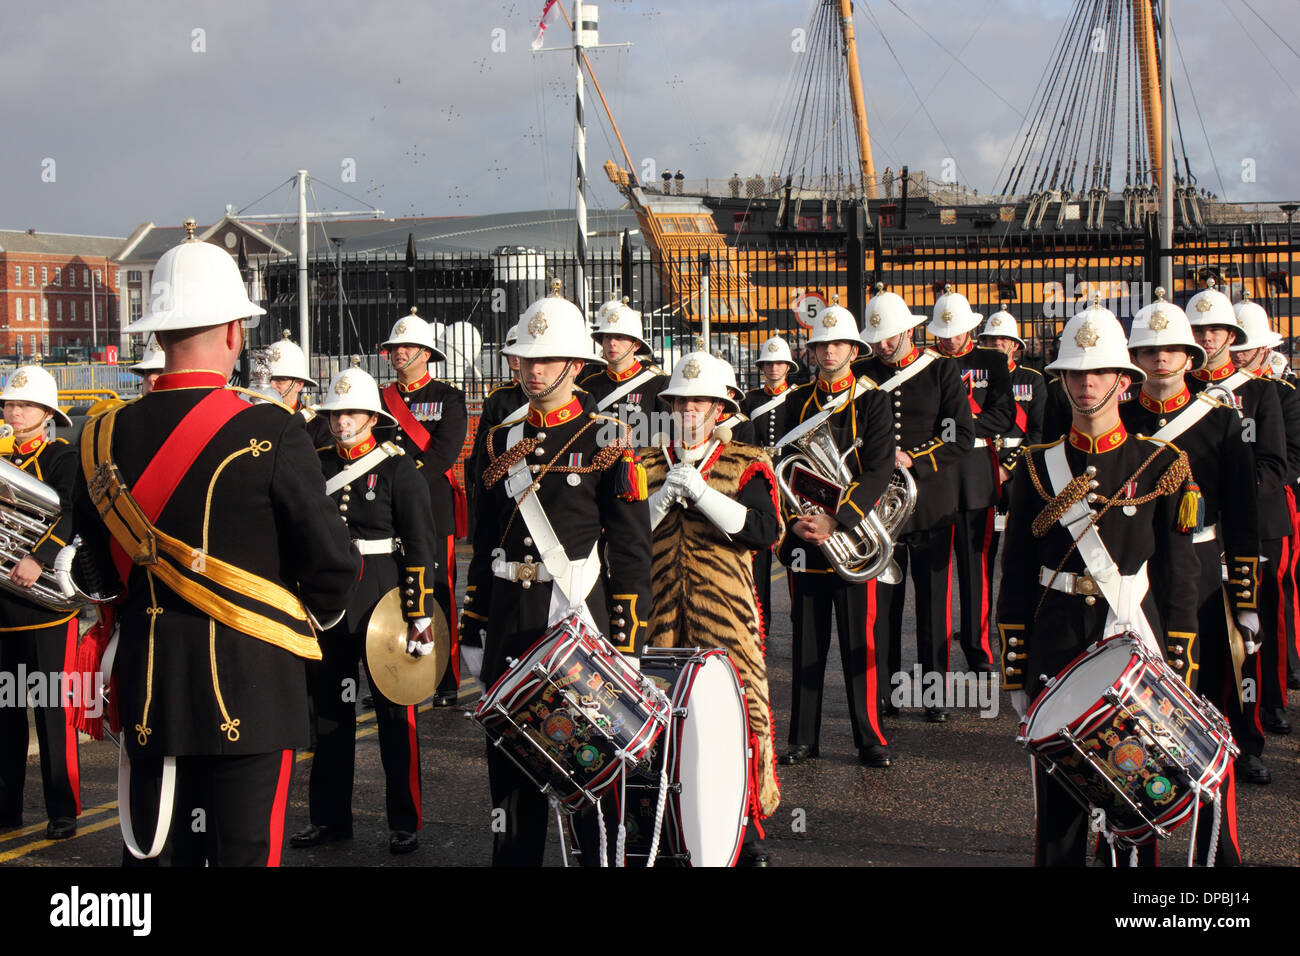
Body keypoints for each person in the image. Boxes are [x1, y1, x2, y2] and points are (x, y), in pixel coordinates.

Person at [73, 226, 361, 866]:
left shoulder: (98, 436)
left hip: (150, 692)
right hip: (251, 693)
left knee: (150, 866)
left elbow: (94, 574)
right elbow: (332, 569)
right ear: (236, 332)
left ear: (158, 332)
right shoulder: (272, 427)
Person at [997, 298, 1199, 867]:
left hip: (1134, 639)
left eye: (1098, 371)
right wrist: (1016, 668)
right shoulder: (1037, 467)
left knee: (1134, 803)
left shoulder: (1163, 464)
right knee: (1058, 809)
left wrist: (1181, 662)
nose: (1086, 384)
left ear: (1123, 380)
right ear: (1060, 382)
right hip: (1056, 639)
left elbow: (1179, 576)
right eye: (1074, 373)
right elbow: (1014, 572)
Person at [461, 282, 651, 867]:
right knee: (512, 777)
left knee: (587, 774)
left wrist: (629, 642)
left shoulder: (610, 440)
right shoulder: (499, 439)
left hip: (576, 620)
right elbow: (485, 538)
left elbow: (631, 552)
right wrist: (474, 621)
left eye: (545, 359)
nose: (532, 369)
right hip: (510, 625)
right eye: (524, 358)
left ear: (576, 363)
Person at [1121, 288, 1256, 865]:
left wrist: (1245, 600)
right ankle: (1137, 836)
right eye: (1148, 351)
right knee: (1139, 712)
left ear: (1188, 356)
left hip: (1201, 576)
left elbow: (1243, 515)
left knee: (1205, 709)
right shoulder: (1119, 418)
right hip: (1132, 578)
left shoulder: (1221, 421)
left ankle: (1216, 846)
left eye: (1170, 350)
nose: (1159, 361)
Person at [290, 366, 438, 855]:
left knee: (397, 713)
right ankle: (329, 818)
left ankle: (405, 819)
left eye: (351, 412)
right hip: (331, 605)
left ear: (372, 416)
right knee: (330, 714)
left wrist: (419, 613)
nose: (341, 422)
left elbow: (420, 543)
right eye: (335, 413)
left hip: (385, 600)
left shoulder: (397, 469)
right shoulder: (315, 464)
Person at [642, 351, 781, 866]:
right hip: (657, 616)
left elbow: (764, 531)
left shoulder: (746, 461)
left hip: (726, 615)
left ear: (721, 409)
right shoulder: (644, 461)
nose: (690, 408)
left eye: (702, 400)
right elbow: (620, 542)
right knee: (658, 724)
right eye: (682, 399)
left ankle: (743, 832)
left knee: (735, 723)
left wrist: (703, 494)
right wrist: (657, 505)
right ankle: (663, 829)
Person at [776, 298, 895, 767]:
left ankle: (869, 738)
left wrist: (836, 519)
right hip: (805, 537)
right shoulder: (794, 402)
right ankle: (803, 738)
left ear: (853, 348)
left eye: (838, 344)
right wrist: (798, 521)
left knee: (857, 642)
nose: (829, 352)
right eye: (822, 345)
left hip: (851, 536)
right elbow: (782, 467)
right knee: (806, 639)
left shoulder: (872, 400)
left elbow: (879, 468)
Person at [1187, 278, 1288, 785]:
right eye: (1198, 329)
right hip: (1191, 534)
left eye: (1215, 330)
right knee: (1194, 640)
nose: (1206, 338)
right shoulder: (1179, 394)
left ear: (1232, 335)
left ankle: (1248, 740)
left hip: (1245, 529)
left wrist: (1232, 491)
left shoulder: (1263, 393)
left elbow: (1276, 462)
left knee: (1246, 642)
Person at [857, 286, 973, 722]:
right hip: (878, 506)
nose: (884, 346)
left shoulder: (941, 370)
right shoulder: (864, 372)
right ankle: (886, 689)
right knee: (882, 603)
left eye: (891, 337)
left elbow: (960, 436)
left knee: (933, 602)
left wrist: (914, 460)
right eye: (877, 339)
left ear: (910, 330)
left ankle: (933, 691)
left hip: (928, 502)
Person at [0, 364, 81, 840]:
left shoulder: (59, 457)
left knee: (53, 713)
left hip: (47, 608)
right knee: (5, 714)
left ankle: (63, 809)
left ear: (46, 413)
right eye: (10, 404)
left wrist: (40, 556)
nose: (15, 411)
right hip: (4, 607)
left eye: (25, 404)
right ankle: (6, 806)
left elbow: (72, 511)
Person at [377, 308, 467, 707]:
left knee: (439, 592)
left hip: (431, 506)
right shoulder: (381, 399)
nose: (399, 353)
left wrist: (404, 482)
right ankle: (390, 670)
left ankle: (445, 678)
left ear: (425, 354)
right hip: (387, 510)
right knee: (392, 590)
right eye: (396, 347)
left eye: (408, 347)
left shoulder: (448, 397)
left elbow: (444, 453)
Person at [930, 285, 1014, 680]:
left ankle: (978, 648)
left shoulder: (993, 362)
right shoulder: (926, 363)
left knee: (976, 567)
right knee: (936, 569)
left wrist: (961, 428)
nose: (949, 339)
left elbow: (1004, 416)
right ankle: (939, 650)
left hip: (977, 467)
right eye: (943, 332)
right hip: (937, 470)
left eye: (955, 331)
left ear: (969, 328)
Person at [1228, 291, 1300, 739]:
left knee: (1269, 609)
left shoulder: (1282, 394)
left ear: (1262, 349)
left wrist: (1246, 489)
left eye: (1243, 349)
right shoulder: (1210, 392)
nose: (1236, 356)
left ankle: (1273, 701)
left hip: (1265, 512)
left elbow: (1290, 458)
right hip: (1219, 518)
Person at [978, 306, 1045, 633]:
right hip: (983, 471)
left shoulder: (1032, 380)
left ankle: (1020, 620)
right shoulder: (973, 378)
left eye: (1003, 340)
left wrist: (1006, 468)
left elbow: (1037, 433)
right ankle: (980, 623)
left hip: (1017, 476)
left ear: (1016, 346)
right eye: (991, 340)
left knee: (1019, 555)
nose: (997, 345)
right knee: (981, 559)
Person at [741, 335, 799, 637]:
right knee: (759, 558)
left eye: (779, 362)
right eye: (768, 363)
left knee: (795, 555)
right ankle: (760, 627)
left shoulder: (800, 396)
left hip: (790, 484)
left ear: (788, 366)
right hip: (762, 484)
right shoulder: (750, 400)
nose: (773, 368)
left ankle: (799, 620)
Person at [577, 297, 669, 446]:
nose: (612, 343)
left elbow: (668, 436)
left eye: (619, 337)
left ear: (636, 345)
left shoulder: (658, 384)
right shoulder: (588, 386)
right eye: (607, 337)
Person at [260, 329, 333, 446]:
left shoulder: (317, 426)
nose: (272, 385)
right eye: (268, 379)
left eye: (281, 380)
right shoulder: (255, 419)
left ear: (299, 384)